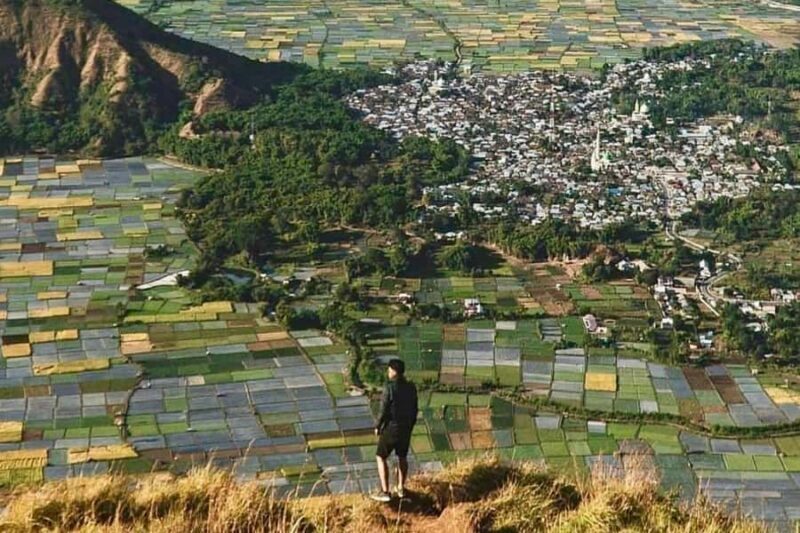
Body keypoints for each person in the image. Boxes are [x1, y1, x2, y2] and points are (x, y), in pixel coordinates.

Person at [370, 358, 418, 502]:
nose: (388, 372)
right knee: (402, 456)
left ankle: (385, 492)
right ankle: (401, 488)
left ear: (394, 372)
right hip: (406, 427)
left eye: (389, 370)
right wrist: (410, 425)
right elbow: (415, 409)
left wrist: (378, 426)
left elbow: (383, 409)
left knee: (380, 456)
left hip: (392, 427)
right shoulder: (411, 387)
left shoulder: (389, 387)